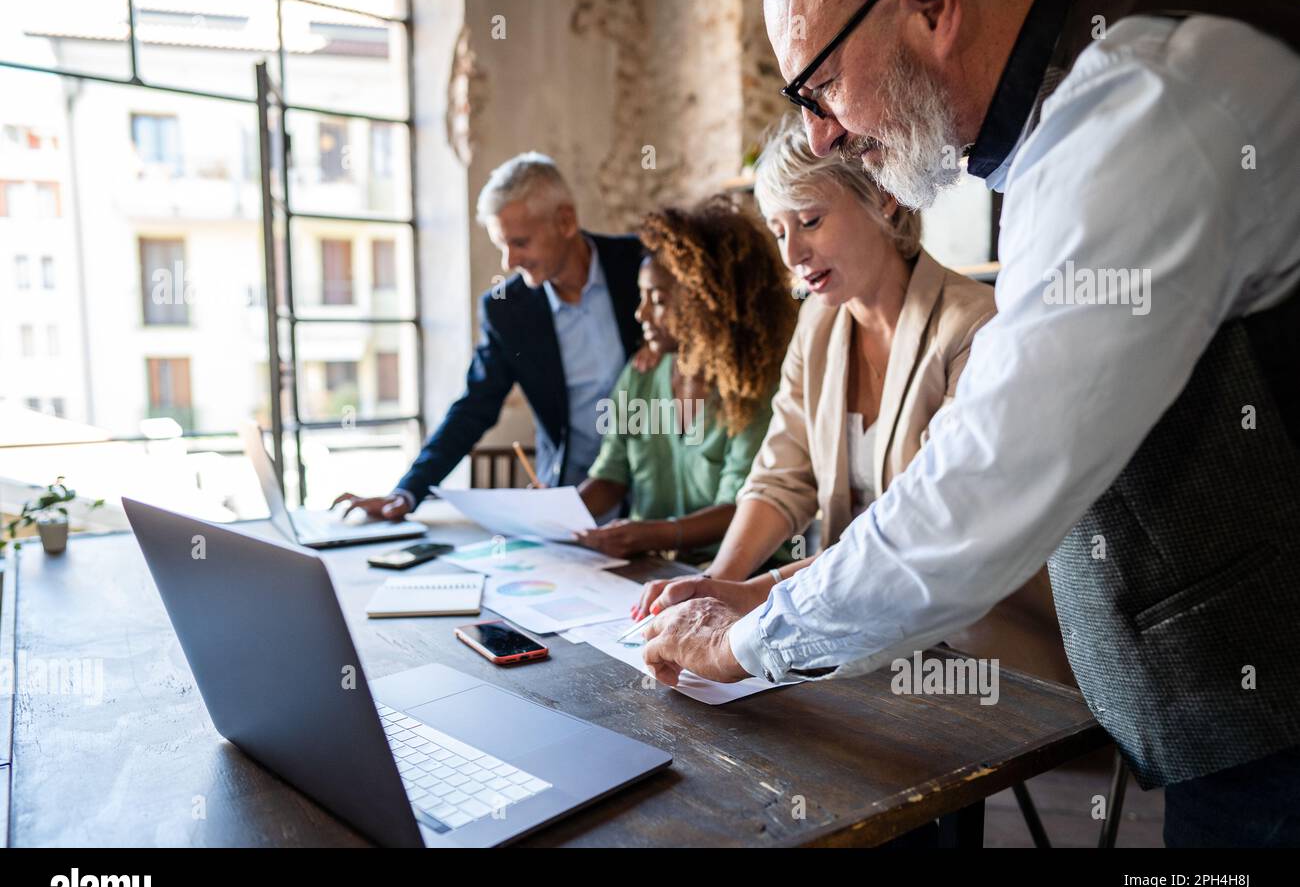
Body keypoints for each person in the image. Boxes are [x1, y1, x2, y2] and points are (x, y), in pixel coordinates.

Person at [642, 0, 1300, 846]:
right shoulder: (1057, 136)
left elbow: (977, 492)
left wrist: (744, 641)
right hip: (1224, 723)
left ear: (930, 6)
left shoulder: (1136, 110)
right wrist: (759, 590)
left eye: (823, 84)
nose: (820, 134)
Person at [636, 115, 1070, 684]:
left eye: (810, 220)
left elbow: (921, 530)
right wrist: (718, 584)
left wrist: (751, 596)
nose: (792, 254)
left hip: (975, 650)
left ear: (886, 200)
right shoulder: (817, 323)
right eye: (778, 230)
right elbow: (780, 477)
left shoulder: (974, 327)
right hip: (852, 633)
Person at [334, 152, 644, 519]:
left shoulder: (640, 264)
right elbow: (474, 406)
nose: (508, 261)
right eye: (502, 245)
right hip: (567, 503)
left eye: (521, 242)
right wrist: (408, 490)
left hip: (653, 494)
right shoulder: (507, 310)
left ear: (566, 221)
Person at [574, 197, 798, 562]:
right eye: (642, 296)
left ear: (705, 302)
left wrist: (651, 535)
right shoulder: (640, 376)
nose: (640, 312)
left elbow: (743, 508)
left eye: (658, 300)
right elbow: (611, 475)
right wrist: (556, 517)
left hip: (740, 573)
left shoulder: (755, 389)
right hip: (651, 572)